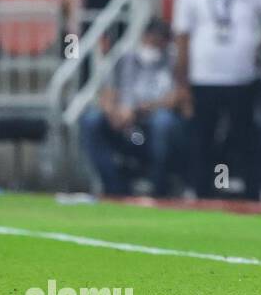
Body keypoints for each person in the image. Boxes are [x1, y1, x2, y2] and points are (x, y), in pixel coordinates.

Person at [172, 0, 261, 201]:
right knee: (202, 138)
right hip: (203, 76)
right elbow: (182, 37)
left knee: (246, 136)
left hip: (241, 76)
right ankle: (199, 189)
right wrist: (182, 83)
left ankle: (253, 188)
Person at [79, 18, 185, 198]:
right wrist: (113, 112)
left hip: (152, 123)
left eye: (158, 40)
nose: (153, 44)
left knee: (163, 122)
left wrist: (139, 110)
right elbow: (107, 92)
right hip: (123, 123)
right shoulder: (125, 59)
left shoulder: (172, 61)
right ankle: (114, 187)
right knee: (90, 120)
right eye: (151, 39)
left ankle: (158, 189)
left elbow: (178, 97)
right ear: (144, 37)